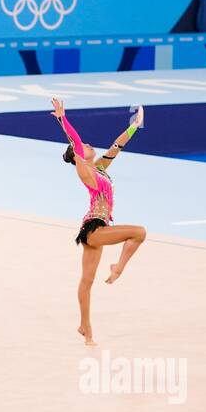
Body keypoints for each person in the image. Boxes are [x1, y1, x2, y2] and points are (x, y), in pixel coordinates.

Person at [51, 99, 147, 347]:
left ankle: (85, 327)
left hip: (94, 228)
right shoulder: (83, 168)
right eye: (83, 146)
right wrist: (63, 118)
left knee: (87, 281)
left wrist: (135, 126)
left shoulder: (99, 168)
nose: (87, 145)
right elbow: (74, 140)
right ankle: (119, 266)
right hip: (95, 228)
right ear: (77, 156)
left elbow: (117, 146)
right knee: (139, 233)